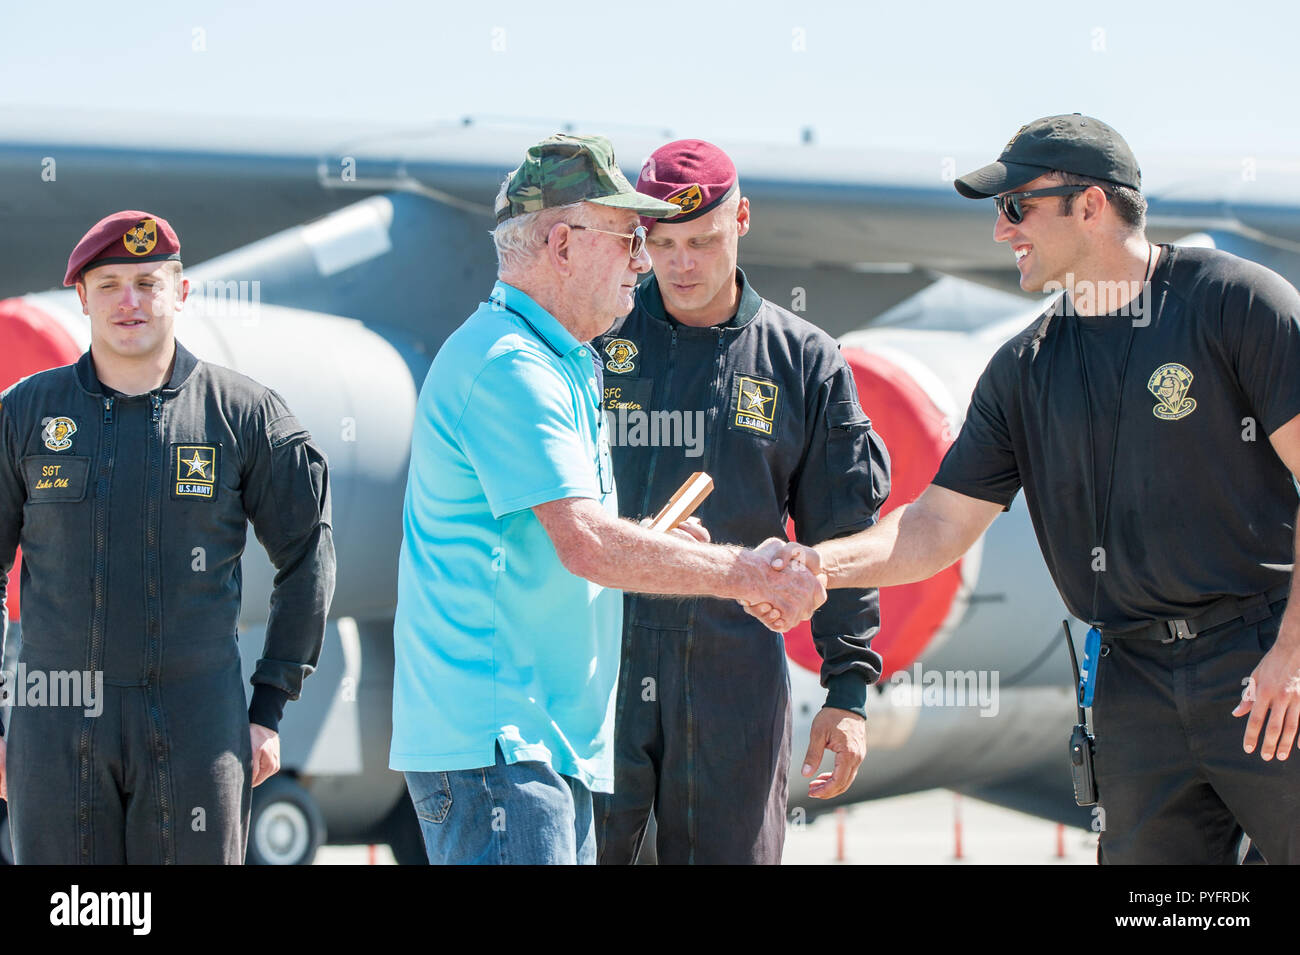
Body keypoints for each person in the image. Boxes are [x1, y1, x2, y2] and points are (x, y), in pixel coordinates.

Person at [753, 114, 1300, 864]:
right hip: (1133, 682)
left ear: (1092, 205)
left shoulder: (1238, 305)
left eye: (1017, 206)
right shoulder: (1026, 368)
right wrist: (819, 565)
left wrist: (1292, 653)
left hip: (1264, 660)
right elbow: (934, 527)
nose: (1001, 230)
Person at [389, 134, 828, 866]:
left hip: (536, 748)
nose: (642, 258)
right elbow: (587, 543)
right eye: (629, 237)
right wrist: (744, 572)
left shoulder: (552, 357)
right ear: (562, 244)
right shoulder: (512, 364)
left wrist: (661, 548)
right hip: (504, 748)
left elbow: (573, 540)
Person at [0, 210, 335, 864]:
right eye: (111, 283)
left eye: (148, 283)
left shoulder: (243, 416)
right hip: (56, 723)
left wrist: (269, 704)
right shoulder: (24, 415)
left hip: (196, 725)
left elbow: (307, 558)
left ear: (180, 293)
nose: (130, 301)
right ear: (82, 297)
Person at [591, 140, 890, 865]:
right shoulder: (595, 343)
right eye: (661, 244)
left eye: (701, 241)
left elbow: (841, 531)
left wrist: (848, 689)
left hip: (734, 674)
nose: (681, 264)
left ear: (743, 219)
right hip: (597, 664)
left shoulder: (803, 362)